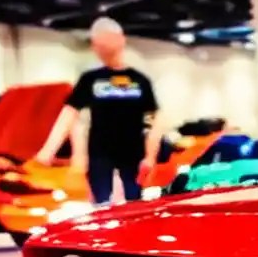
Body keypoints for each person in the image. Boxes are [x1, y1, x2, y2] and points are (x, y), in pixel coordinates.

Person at [36, 17, 163, 204]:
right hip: (100, 153)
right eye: (98, 44)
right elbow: (69, 113)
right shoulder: (91, 79)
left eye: (106, 42)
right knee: (100, 203)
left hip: (132, 152)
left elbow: (154, 117)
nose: (101, 48)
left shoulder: (140, 80)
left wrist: (150, 155)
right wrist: (48, 150)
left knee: (134, 203)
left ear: (121, 40)